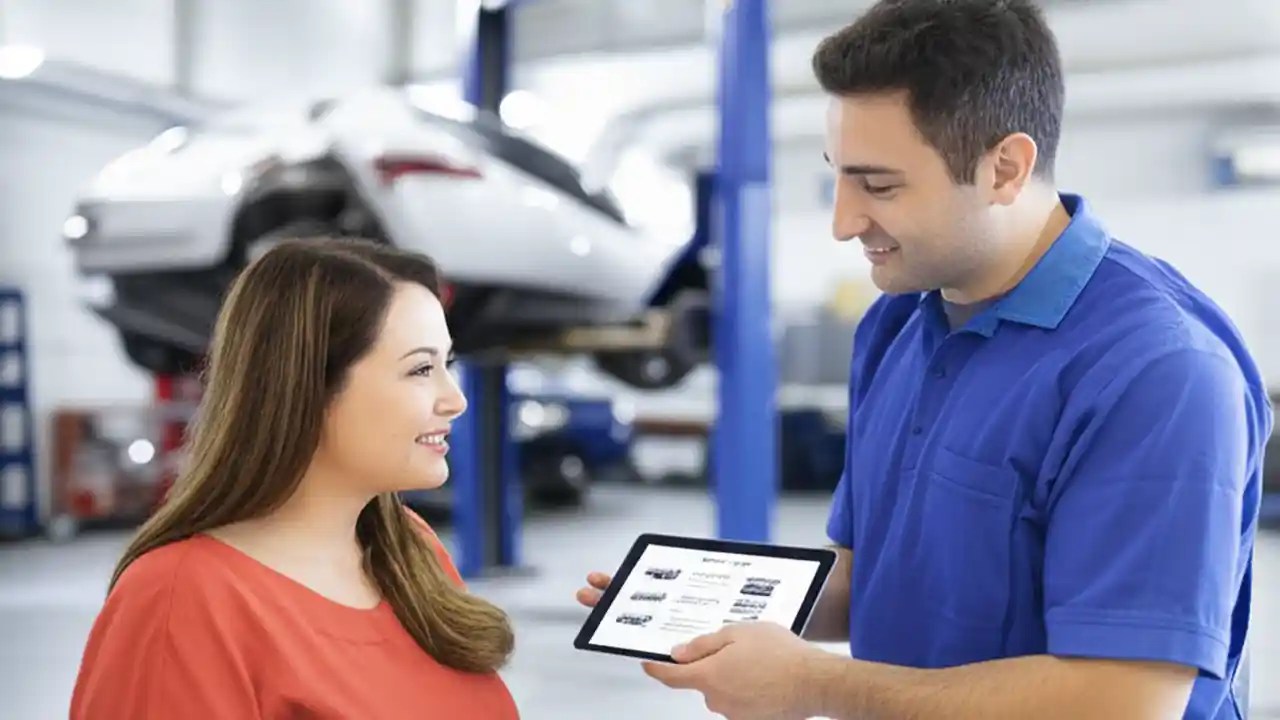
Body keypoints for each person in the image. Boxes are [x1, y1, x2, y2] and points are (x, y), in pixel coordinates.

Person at [578, 1, 1272, 718]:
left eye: (878, 186)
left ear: (1005, 168)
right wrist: (704, 604)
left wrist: (810, 681)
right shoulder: (899, 322)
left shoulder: (1157, 373)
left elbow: (1122, 700)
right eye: (838, 177)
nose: (844, 222)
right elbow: (872, 573)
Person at [71, 238, 519, 719]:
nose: (455, 399)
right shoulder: (179, 600)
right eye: (421, 369)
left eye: (446, 364)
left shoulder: (410, 549)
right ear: (309, 387)